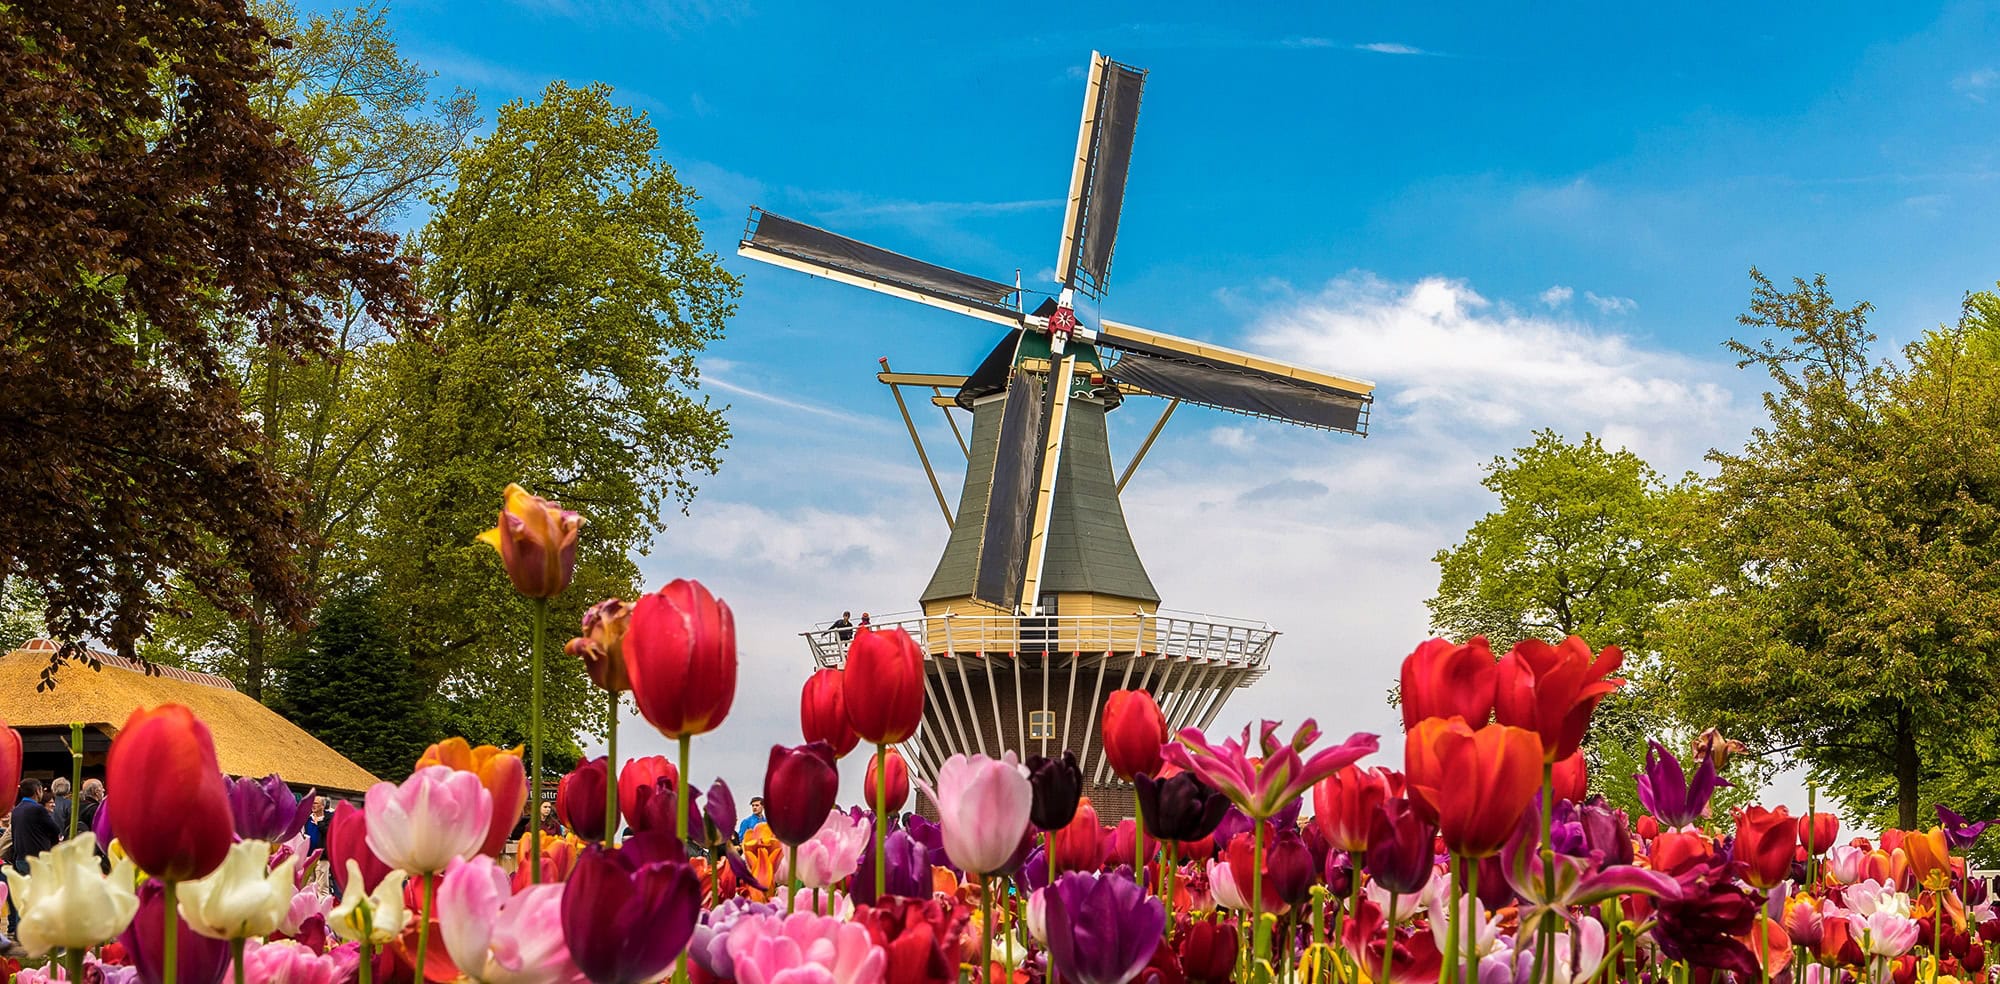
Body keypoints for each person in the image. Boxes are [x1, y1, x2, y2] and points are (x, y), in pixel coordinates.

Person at [9, 779, 59, 936]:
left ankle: (20, 931)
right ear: (37, 791)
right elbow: (55, 829)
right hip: (37, 860)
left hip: (20, 858)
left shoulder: (17, 810)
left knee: (24, 896)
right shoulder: (37, 809)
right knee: (39, 896)